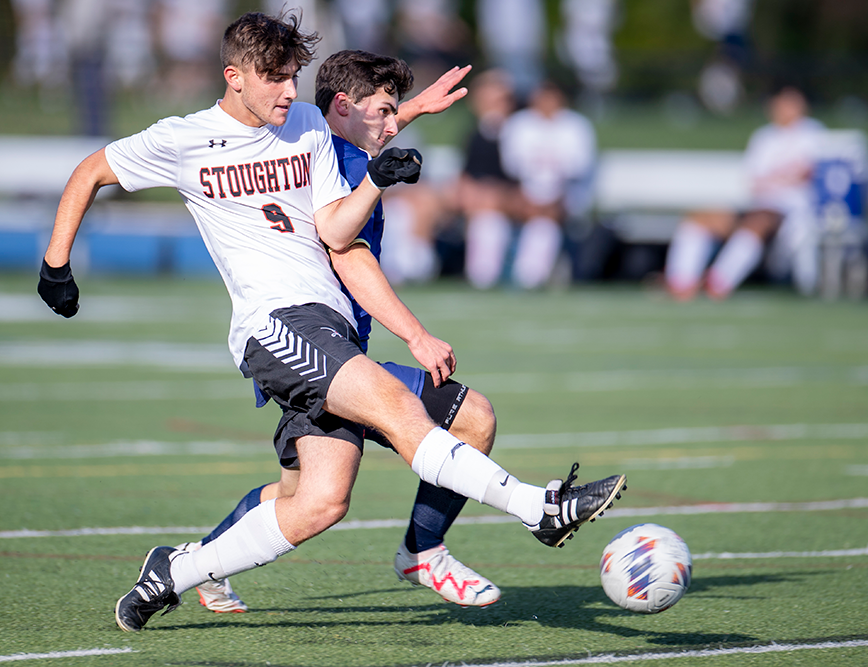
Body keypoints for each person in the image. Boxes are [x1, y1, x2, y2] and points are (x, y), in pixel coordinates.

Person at [36, 11, 626, 634]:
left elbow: (340, 239)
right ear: (234, 77)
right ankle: (539, 508)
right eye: (276, 79)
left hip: (334, 331)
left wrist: (414, 327)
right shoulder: (184, 139)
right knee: (401, 408)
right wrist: (56, 264)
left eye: (295, 77)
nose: (291, 91)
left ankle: (173, 573)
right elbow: (91, 170)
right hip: (275, 325)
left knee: (321, 503)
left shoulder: (308, 125)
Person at [177, 53, 507, 612]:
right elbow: (347, 252)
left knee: (298, 494)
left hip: (337, 349)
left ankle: (200, 559)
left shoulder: (340, 149)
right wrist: (415, 335)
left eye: (395, 110)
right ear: (342, 107)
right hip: (310, 349)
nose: (393, 121)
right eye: (385, 110)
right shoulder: (332, 161)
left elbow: (357, 132)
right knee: (470, 417)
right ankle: (422, 551)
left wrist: (415, 108)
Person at [664, 87, 824, 300]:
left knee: (758, 222)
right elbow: (755, 180)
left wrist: (778, 178)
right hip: (756, 205)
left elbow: (806, 173)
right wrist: (782, 177)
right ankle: (681, 283)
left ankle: (718, 283)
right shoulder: (764, 137)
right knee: (699, 218)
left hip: (792, 212)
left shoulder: (814, 134)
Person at [496, 80, 596, 290]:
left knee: (546, 217)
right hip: (525, 192)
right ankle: (489, 276)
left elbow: (579, 169)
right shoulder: (519, 124)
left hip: (566, 194)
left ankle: (531, 277)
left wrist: (554, 197)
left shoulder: (576, 126)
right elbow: (512, 167)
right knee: (494, 211)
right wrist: (526, 195)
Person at [459, 69, 522, 290]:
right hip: (485, 198)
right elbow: (469, 172)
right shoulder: (477, 132)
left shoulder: (521, 129)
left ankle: (487, 275)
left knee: (488, 208)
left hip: (518, 198)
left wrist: (493, 195)